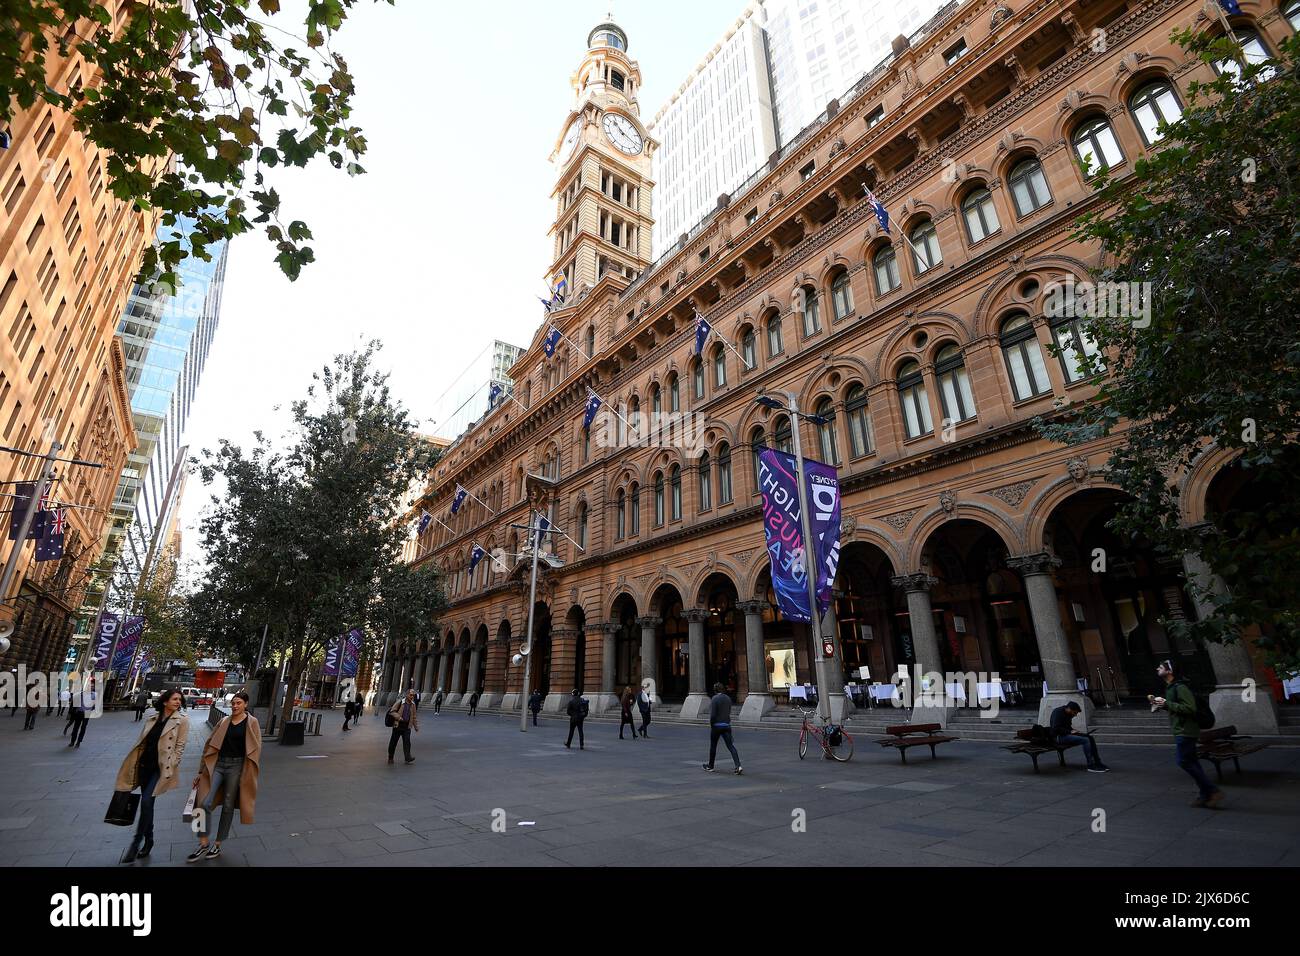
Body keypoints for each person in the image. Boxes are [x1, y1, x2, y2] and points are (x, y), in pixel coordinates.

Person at [114, 689, 188, 863]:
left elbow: (180, 746)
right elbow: (143, 743)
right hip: (143, 766)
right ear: (165, 701)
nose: (178, 702)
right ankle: (150, 839)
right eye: (175, 699)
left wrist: (173, 762)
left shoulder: (182, 721)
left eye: (179, 699)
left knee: (146, 801)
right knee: (148, 805)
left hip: (160, 769)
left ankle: (136, 843)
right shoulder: (152, 719)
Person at [187, 691, 261, 861]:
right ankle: (203, 841)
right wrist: (200, 771)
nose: (235, 706)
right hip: (218, 765)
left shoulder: (252, 723)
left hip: (237, 766)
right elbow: (208, 746)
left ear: (246, 705)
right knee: (203, 802)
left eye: (239, 703)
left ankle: (218, 843)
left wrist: (248, 772)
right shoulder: (223, 721)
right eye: (233, 703)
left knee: (228, 806)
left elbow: (256, 749)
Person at [1151, 660, 1222, 808]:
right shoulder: (1171, 687)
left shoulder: (1180, 687)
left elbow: (1190, 708)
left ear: (1169, 671)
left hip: (1186, 730)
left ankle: (1213, 790)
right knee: (1193, 762)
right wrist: (1163, 706)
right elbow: (1177, 708)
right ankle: (1205, 795)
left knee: (1183, 761)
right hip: (1181, 729)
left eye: (1161, 666)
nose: (1157, 668)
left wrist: (1166, 704)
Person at [1048, 700, 1109, 772]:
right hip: (1058, 737)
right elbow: (1056, 729)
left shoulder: (1068, 714)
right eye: (1075, 713)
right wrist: (1070, 731)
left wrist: (1074, 731)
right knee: (1085, 740)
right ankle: (1091, 765)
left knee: (1090, 737)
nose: (1075, 715)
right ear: (1069, 709)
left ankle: (1098, 762)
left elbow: (1067, 727)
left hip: (1066, 734)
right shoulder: (1058, 712)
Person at [702, 683, 742, 774]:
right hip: (727, 725)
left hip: (717, 725)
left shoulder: (715, 699)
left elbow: (713, 715)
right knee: (731, 746)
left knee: (713, 746)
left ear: (715, 690)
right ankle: (738, 765)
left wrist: (712, 724)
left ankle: (711, 766)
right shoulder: (728, 698)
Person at [386, 689, 419, 765]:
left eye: (413, 695)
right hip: (398, 725)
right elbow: (392, 711)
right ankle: (390, 757)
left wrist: (416, 726)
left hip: (407, 727)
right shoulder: (400, 702)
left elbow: (414, 716)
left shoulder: (413, 705)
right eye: (411, 695)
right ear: (407, 695)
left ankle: (408, 757)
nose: (412, 697)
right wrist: (398, 717)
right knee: (393, 742)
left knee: (407, 742)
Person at [68, 677, 95, 748]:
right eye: (89, 686)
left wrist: (91, 709)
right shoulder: (81, 694)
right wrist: (75, 710)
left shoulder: (94, 695)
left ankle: (78, 742)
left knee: (83, 728)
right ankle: (72, 741)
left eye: (92, 687)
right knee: (75, 727)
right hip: (79, 712)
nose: (91, 688)